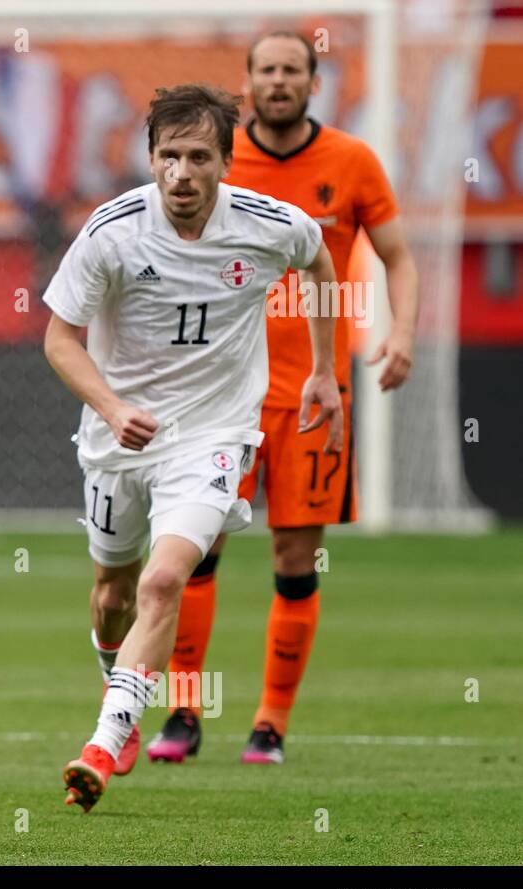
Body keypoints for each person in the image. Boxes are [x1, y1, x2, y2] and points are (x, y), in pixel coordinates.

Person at [43, 83, 341, 812]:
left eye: (198, 156)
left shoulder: (272, 225)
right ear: (149, 158)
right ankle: (119, 681)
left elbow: (321, 265)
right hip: (118, 441)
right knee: (113, 595)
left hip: (213, 436)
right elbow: (59, 338)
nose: (181, 172)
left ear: (225, 163)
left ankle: (106, 741)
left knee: (162, 582)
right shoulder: (111, 231)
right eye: (168, 156)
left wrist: (327, 373)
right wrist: (111, 407)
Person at [147, 31, 418, 766]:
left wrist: (402, 335)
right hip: (218, 394)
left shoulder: (352, 162)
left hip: (312, 392)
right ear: (248, 80)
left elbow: (396, 255)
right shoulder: (212, 161)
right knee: (196, 549)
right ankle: (182, 713)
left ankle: (270, 723)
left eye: (291, 70)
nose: (277, 81)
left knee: (296, 559)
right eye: (265, 69)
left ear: (312, 82)